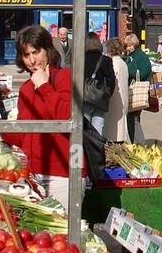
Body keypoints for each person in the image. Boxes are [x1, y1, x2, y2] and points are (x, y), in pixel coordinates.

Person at [7, 25, 72, 203]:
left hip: (63, 173)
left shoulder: (64, 77)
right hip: (34, 173)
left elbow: (67, 118)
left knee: (62, 227)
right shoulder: (26, 89)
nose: (32, 60)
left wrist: (44, 86)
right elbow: (22, 136)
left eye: (36, 52)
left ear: (47, 51)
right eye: (26, 55)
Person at [81, 32, 115, 138]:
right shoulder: (106, 60)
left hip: (85, 97)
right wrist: (107, 94)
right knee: (98, 128)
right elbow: (111, 80)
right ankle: (97, 151)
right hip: (101, 99)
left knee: (85, 129)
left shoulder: (81, 59)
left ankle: (86, 152)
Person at [123, 33, 152, 143]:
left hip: (138, 91)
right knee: (131, 118)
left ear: (135, 45)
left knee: (133, 118)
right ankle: (136, 143)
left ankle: (140, 144)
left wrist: (127, 68)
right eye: (126, 46)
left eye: (130, 45)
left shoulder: (140, 56)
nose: (128, 48)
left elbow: (143, 73)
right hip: (131, 91)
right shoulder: (130, 56)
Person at [103, 37, 130, 142]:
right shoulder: (123, 63)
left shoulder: (113, 64)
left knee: (113, 128)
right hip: (122, 98)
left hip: (114, 99)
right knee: (120, 127)